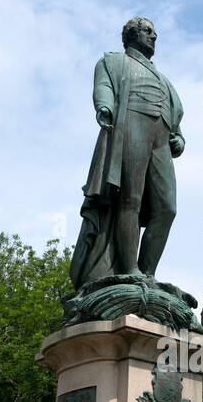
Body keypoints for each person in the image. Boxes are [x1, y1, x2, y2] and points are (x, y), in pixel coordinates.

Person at [71, 16, 184, 288]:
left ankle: (147, 272)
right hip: (132, 122)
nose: (153, 36)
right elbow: (104, 86)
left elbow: (176, 114)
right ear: (131, 35)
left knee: (167, 208)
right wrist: (104, 107)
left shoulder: (164, 80)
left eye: (154, 32)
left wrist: (178, 135)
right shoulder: (112, 61)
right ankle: (130, 269)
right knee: (130, 199)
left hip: (161, 135)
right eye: (147, 31)